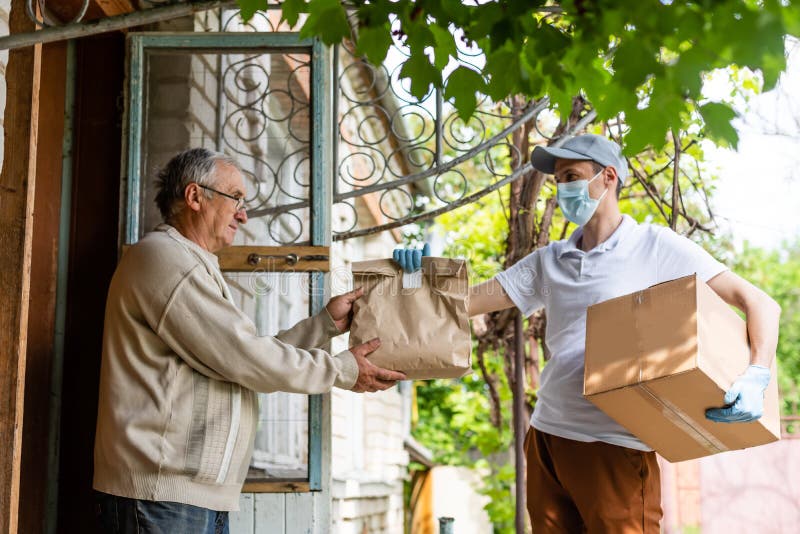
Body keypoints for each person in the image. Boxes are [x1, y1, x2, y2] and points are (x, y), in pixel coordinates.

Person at [396, 134, 780, 533]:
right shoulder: (550, 260)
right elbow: (464, 303)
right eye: (559, 180)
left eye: (572, 175)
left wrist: (757, 374)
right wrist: (415, 280)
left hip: (616, 443)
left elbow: (760, 304)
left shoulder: (654, 246)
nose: (563, 188)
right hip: (547, 437)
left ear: (608, 177)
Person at [94, 148, 406, 533]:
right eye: (236, 199)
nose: (243, 214)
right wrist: (341, 368)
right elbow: (244, 356)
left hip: (187, 498)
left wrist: (324, 325)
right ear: (194, 197)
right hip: (161, 498)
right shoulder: (164, 259)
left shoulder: (187, 262)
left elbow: (239, 355)